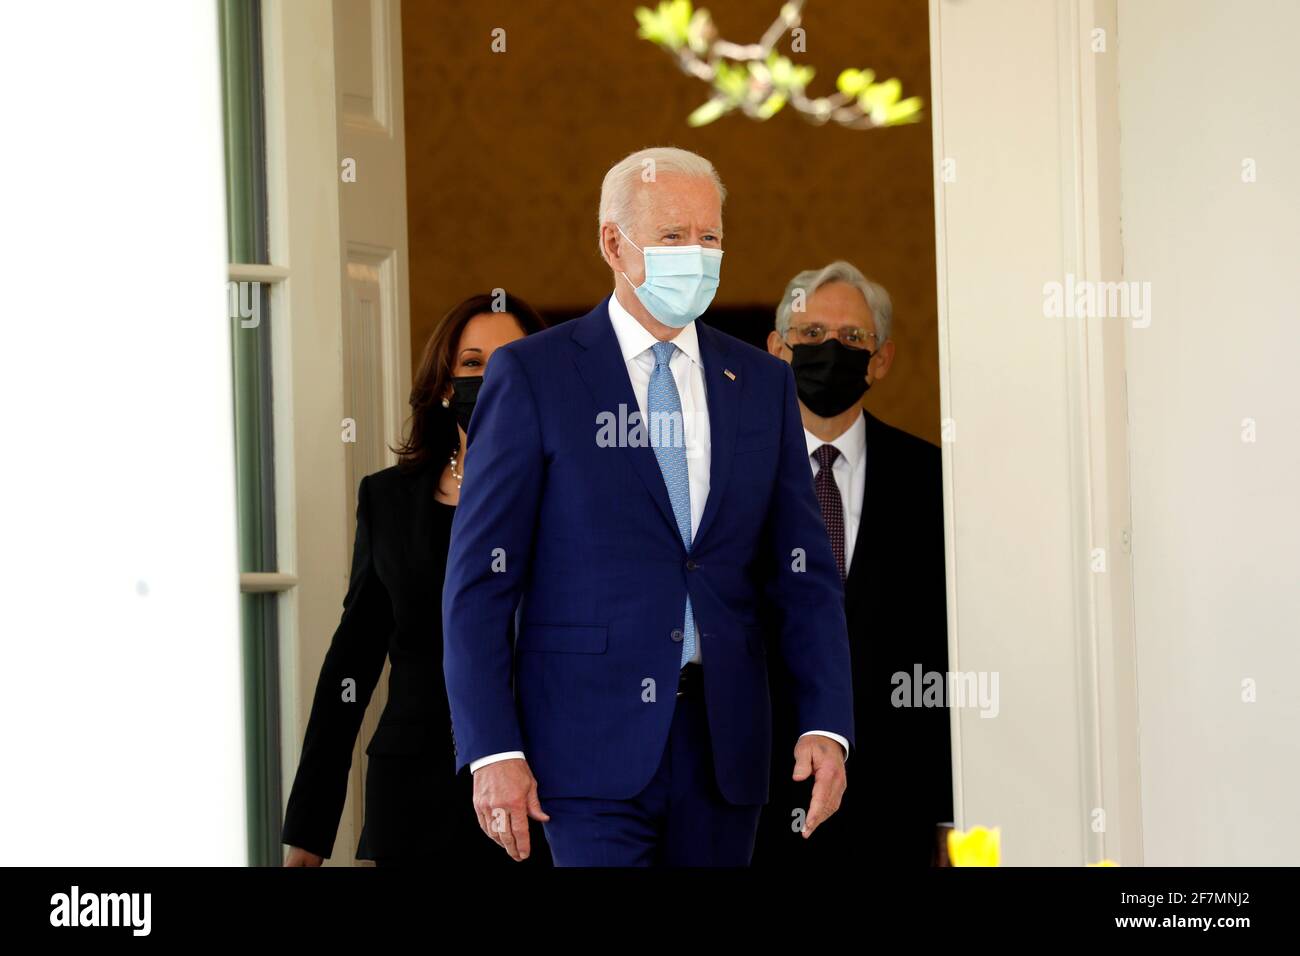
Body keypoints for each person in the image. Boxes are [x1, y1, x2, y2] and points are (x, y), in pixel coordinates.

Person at [442, 147, 854, 867]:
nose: (695, 255)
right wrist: (492, 748)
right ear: (613, 242)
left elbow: (804, 575)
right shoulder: (535, 376)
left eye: (710, 238)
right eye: (673, 237)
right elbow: (480, 582)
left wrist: (826, 722)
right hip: (582, 751)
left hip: (726, 749)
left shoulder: (760, 384)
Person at [281, 292, 550, 867]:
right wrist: (307, 834)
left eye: (512, 359)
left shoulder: (574, 494)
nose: (492, 376)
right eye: (473, 362)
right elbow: (349, 666)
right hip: (413, 795)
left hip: (541, 791)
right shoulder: (389, 498)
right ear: (446, 385)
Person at [752, 260, 953, 867]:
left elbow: (950, 650)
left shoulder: (935, 479)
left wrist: (950, 810)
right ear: (777, 351)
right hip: (758, 800)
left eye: (852, 339)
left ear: (882, 360)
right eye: (811, 335)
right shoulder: (729, 476)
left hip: (894, 808)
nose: (830, 351)